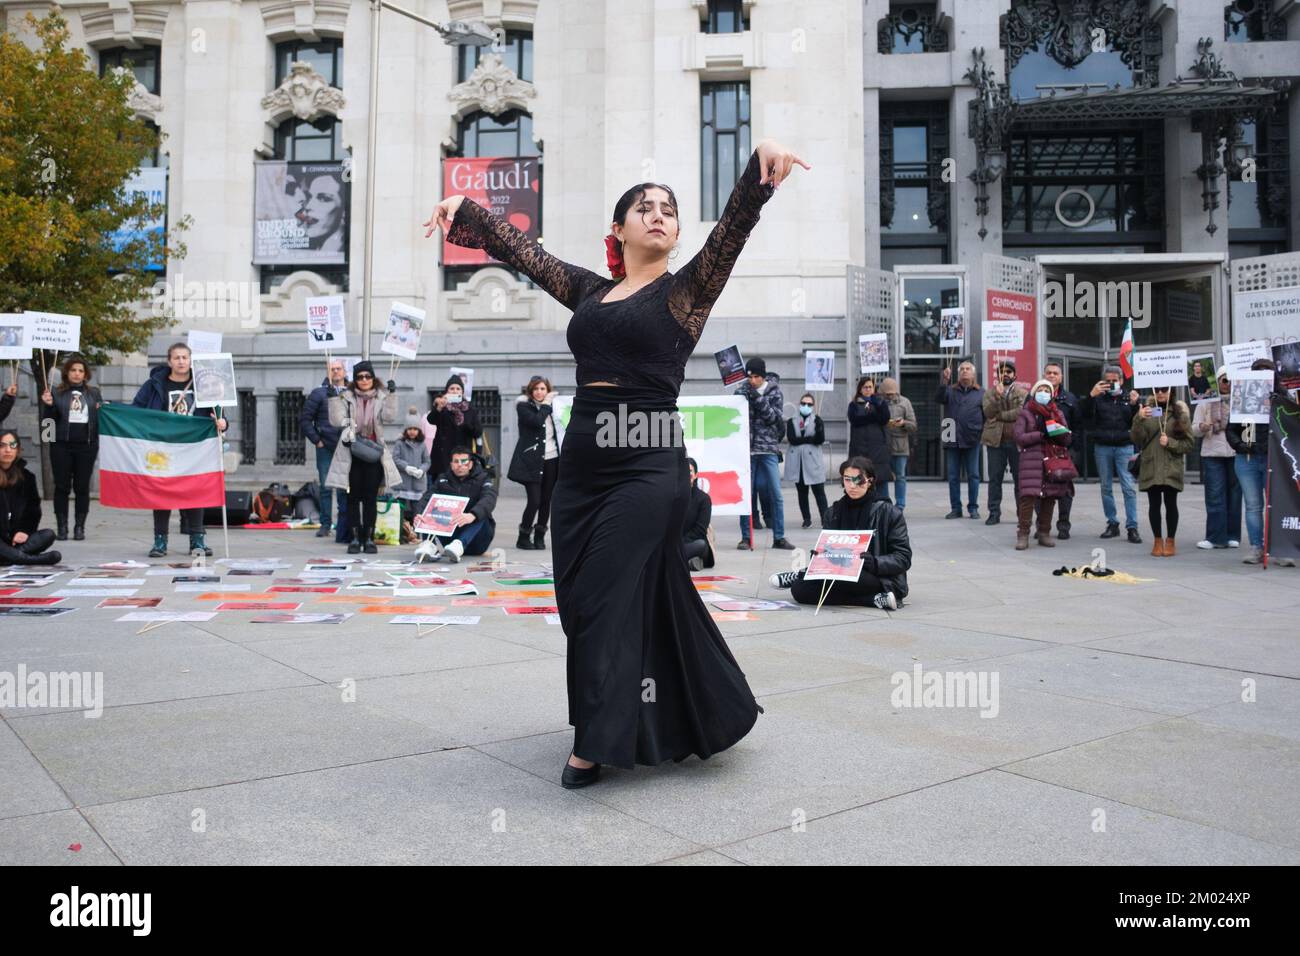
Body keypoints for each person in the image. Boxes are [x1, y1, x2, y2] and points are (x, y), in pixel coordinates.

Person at [427, 136, 807, 787]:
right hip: (583, 464)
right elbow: (528, 255)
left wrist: (758, 178)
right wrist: (470, 211)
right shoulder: (590, 291)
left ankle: (595, 741)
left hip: (647, 461)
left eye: (669, 209)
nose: (659, 215)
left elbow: (732, 234)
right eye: (645, 207)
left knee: (604, 593)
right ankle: (703, 705)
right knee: (579, 599)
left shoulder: (686, 291)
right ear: (619, 227)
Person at [769, 457, 910, 610]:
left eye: (859, 480)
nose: (853, 485)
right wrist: (820, 556)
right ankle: (874, 600)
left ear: (870, 481)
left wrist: (875, 562)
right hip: (841, 571)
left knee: (839, 579)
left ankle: (802, 574)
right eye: (848, 480)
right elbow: (831, 549)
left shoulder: (889, 513)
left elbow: (903, 557)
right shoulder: (834, 512)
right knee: (799, 590)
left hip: (877, 577)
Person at [131, 342, 227, 557]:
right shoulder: (154, 385)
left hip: (194, 449)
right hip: (162, 447)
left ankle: (197, 541)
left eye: (185, 357)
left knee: (194, 493)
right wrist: (112, 409)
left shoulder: (204, 383)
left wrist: (223, 424)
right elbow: (136, 410)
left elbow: (219, 413)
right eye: (177, 358)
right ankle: (160, 542)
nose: (181, 361)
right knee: (161, 494)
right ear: (169, 361)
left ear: (190, 360)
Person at [325, 361, 400, 554]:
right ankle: (355, 538)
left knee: (370, 498)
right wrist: (333, 400)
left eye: (367, 376)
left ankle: (369, 539)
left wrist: (392, 395)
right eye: (360, 377)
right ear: (355, 380)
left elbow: (389, 418)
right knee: (352, 498)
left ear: (373, 378)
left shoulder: (381, 397)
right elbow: (337, 421)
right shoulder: (346, 397)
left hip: (374, 453)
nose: (364, 380)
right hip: (352, 453)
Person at [40, 354, 102, 541]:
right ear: (67, 373)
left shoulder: (94, 393)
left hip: (87, 446)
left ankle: (79, 527)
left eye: (80, 371)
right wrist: (48, 406)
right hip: (61, 446)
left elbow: (101, 417)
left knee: (82, 488)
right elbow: (47, 421)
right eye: (73, 370)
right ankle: (62, 527)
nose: (76, 374)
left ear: (85, 374)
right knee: (62, 487)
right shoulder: (55, 393)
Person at [736, 357, 793, 550]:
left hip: (768, 449)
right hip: (747, 449)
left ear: (763, 375)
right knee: (746, 495)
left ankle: (779, 537)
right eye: (750, 376)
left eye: (756, 377)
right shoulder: (743, 390)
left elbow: (772, 418)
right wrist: (743, 394)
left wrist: (756, 397)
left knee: (776, 494)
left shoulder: (774, 391)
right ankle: (746, 537)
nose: (752, 380)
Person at [1081, 364, 1142, 543]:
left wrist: (1134, 405)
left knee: (1128, 487)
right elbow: (1084, 416)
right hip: (1103, 447)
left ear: (1121, 381)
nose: (1111, 384)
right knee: (1106, 487)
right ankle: (1112, 523)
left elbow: (1136, 422)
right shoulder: (1098, 398)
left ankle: (1132, 526)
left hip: (1125, 446)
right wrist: (1091, 397)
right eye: (1107, 381)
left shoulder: (1128, 397)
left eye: (1114, 381)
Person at [1131, 386, 1194, 557]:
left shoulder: (1180, 413)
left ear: (1171, 392)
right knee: (1154, 505)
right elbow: (1136, 439)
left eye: (1164, 390)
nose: (1160, 393)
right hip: (1151, 465)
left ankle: (1170, 541)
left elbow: (1189, 444)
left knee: (1171, 504)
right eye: (1157, 390)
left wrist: (1171, 443)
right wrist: (1138, 418)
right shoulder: (1148, 412)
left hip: (1171, 467)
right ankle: (1157, 540)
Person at [1012, 378, 1074, 550]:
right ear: (1034, 393)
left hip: (1051, 460)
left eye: (1047, 391)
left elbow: (1067, 438)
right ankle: (1023, 534)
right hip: (1031, 461)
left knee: (1049, 497)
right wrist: (1039, 435)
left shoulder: (1058, 413)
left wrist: (1057, 432)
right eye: (1041, 390)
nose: (1044, 394)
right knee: (1028, 498)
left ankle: (1044, 532)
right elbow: (1018, 437)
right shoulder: (1026, 413)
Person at [1228, 358, 1275, 565]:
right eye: (1258, 372)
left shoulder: (1280, 396)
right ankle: (1257, 547)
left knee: (1276, 505)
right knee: (1253, 505)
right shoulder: (1241, 397)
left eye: (1266, 372)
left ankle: (1279, 548)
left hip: (1273, 459)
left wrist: (1279, 398)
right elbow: (1231, 429)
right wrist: (1239, 445)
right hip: (1247, 458)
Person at [508, 375, 560, 550]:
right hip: (531, 461)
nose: (539, 392)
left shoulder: (555, 408)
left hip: (552, 459)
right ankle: (523, 536)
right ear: (531, 391)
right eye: (536, 389)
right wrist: (546, 404)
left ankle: (540, 536)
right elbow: (536, 422)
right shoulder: (523, 407)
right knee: (535, 500)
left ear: (548, 390)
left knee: (546, 500)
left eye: (543, 389)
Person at [301, 358, 350, 542]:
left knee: (345, 487)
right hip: (325, 446)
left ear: (344, 371)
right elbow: (305, 420)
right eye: (332, 369)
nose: (336, 372)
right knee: (326, 487)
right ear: (328, 372)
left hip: (346, 446)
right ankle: (326, 523)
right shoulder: (318, 393)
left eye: (339, 369)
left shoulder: (351, 393)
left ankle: (343, 524)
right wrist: (317, 440)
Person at [1193, 367, 1241, 551]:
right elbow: (1194, 428)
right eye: (1224, 379)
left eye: (1230, 379)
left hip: (1237, 453)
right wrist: (1203, 427)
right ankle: (1214, 537)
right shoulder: (1206, 401)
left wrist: (1249, 446)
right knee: (1214, 496)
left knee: (1235, 496)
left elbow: (1250, 426)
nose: (1227, 383)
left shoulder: (1241, 400)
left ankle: (1232, 535)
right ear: (1218, 381)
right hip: (1212, 454)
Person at [423, 447, 498, 563]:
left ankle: (459, 545)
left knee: (480, 513)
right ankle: (429, 546)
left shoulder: (483, 479)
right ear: (451, 464)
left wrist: (472, 515)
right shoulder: (442, 479)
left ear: (471, 464)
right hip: (449, 537)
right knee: (429, 511)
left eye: (464, 462)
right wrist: (418, 514)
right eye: (456, 462)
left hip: (476, 540)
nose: (460, 465)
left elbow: (489, 498)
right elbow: (427, 498)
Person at [0, 429, 61, 566]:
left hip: (15, 539)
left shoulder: (27, 477)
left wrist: (24, 531)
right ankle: (29, 559)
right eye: (2, 445)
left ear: (18, 450)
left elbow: (33, 511)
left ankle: (9, 557)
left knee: (48, 535)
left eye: (12, 445)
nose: (7, 450)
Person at [936, 360, 984, 519]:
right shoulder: (950, 390)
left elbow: (987, 415)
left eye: (968, 368)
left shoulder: (981, 392)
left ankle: (973, 508)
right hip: (952, 437)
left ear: (973, 373)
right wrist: (944, 381)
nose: (964, 371)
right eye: (962, 369)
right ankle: (956, 508)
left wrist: (981, 432)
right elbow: (939, 398)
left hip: (972, 437)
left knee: (973, 475)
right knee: (953, 476)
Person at [981, 359, 1025, 526]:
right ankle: (993, 512)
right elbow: (988, 412)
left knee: (1020, 480)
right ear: (997, 374)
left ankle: (1022, 513)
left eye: (1008, 371)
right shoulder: (990, 393)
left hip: (1017, 441)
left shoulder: (1022, 392)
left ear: (1015, 375)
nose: (1005, 374)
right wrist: (998, 398)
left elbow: (1020, 412)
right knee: (994, 479)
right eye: (1001, 371)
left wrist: (1000, 416)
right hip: (995, 441)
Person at [1039, 361, 1080, 539]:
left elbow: (1078, 425)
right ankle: (1042, 526)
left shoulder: (1070, 399)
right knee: (1041, 490)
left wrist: (1071, 446)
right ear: (1044, 375)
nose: (1052, 376)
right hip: (1041, 450)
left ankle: (1064, 525)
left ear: (1061, 377)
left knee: (1065, 491)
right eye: (1049, 373)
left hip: (1064, 451)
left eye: (1055, 373)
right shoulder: (1034, 398)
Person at [847, 375, 894, 502]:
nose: (868, 389)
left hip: (878, 451)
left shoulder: (879, 402)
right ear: (860, 389)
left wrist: (878, 405)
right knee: (860, 483)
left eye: (870, 387)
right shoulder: (854, 405)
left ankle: (884, 512)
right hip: (860, 450)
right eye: (865, 387)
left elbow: (884, 419)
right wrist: (872, 416)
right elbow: (855, 420)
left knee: (881, 484)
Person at [426, 374, 482, 480]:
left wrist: (466, 424)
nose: (455, 391)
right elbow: (431, 420)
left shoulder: (470, 409)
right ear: (447, 391)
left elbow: (478, 432)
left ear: (462, 392)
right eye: (452, 388)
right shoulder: (442, 407)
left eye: (458, 388)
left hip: (462, 455)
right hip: (443, 457)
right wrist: (439, 407)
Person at [785, 392, 828, 528]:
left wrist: (808, 438)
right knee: (802, 493)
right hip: (798, 462)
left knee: (819, 492)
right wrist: (809, 439)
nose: (806, 406)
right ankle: (806, 518)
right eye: (803, 403)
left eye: (809, 404)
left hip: (813, 461)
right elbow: (792, 439)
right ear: (799, 404)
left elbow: (820, 439)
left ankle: (825, 519)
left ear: (813, 406)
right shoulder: (792, 420)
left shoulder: (817, 420)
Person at [391, 407, 430, 542]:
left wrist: (422, 470)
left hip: (417, 483)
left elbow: (427, 461)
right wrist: (406, 467)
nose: (412, 432)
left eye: (415, 429)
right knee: (400, 510)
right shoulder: (400, 443)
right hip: (403, 482)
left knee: (417, 510)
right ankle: (400, 533)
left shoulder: (422, 445)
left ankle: (416, 533)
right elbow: (395, 459)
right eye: (409, 429)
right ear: (405, 430)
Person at [879, 378, 916, 511]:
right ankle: (884, 503)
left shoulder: (905, 402)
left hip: (900, 445)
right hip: (883, 445)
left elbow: (913, 425)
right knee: (882, 476)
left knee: (900, 476)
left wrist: (903, 423)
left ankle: (900, 504)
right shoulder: (878, 402)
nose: (889, 396)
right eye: (887, 394)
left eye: (892, 394)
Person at [682, 457, 714, 571]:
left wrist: (679, 543)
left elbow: (700, 530)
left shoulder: (704, 499)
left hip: (694, 542)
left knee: (700, 545)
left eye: (690, 471)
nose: (687, 474)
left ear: (695, 475)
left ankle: (677, 559)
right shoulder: (674, 497)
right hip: (676, 544)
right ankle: (689, 561)